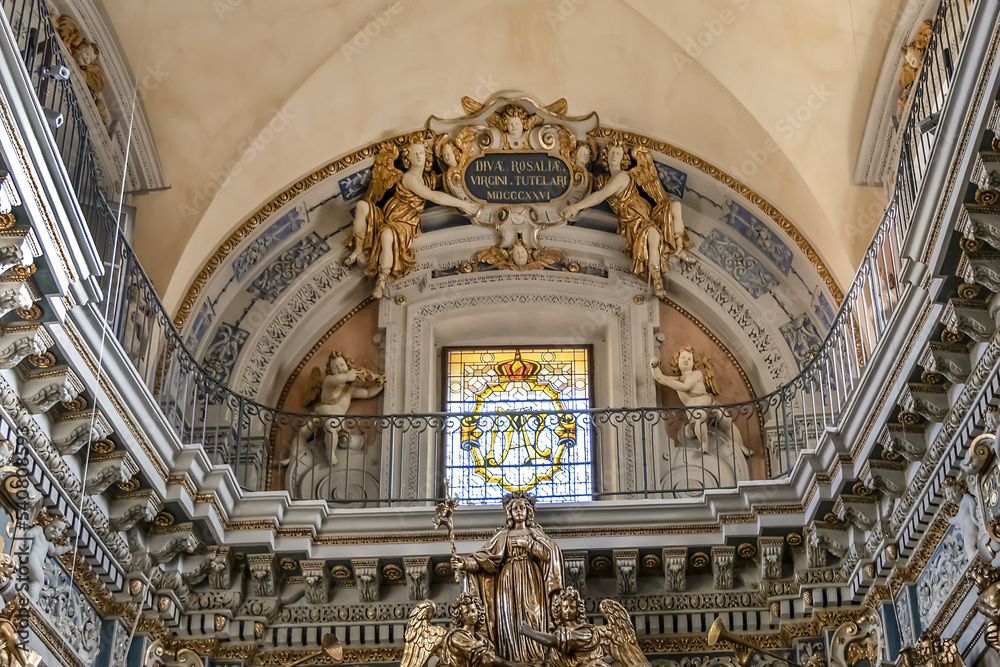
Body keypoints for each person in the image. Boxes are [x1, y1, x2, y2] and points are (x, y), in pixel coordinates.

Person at [348, 141, 478, 298]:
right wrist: (461, 203)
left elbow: (446, 179)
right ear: (407, 157)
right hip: (387, 217)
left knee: (387, 235)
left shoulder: (427, 179)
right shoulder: (409, 178)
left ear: (426, 156)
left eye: (421, 153)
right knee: (362, 205)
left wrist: (457, 167)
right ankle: (358, 249)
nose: (418, 156)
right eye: (414, 153)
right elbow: (433, 196)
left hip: (404, 222)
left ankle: (381, 281)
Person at [562, 142, 690, 298]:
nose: (615, 156)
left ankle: (680, 246)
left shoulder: (623, 176)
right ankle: (657, 281)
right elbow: (591, 188)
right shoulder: (603, 180)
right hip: (633, 221)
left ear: (624, 158)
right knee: (653, 236)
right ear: (606, 156)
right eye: (612, 153)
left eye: (618, 153)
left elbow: (601, 196)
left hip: (647, 214)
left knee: (675, 205)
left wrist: (577, 207)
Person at [451, 491, 563, 663]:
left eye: (522, 508)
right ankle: (511, 658)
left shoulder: (535, 534)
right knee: (509, 617)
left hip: (531, 579)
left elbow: (550, 555)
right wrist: (464, 563)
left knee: (533, 613)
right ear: (509, 513)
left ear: (528, 511)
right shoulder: (502, 535)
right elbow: (484, 560)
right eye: (515, 508)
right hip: (506, 581)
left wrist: (530, 545)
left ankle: (536, 657)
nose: (519, 511)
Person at [650, 348, 751, 480]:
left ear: (693, 363)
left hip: (709, 403)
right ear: (677, 362)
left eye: (689, 359)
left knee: (725, 419)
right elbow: (659, 378)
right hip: (695, 410)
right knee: (700, 418)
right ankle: (704, 445)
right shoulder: (677, 380)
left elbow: (686, 386)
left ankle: (740, 446)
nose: (686, 360)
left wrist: (669, 381)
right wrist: (654, 366)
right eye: (683, 358)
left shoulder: (696, 374)